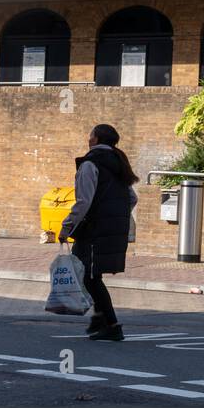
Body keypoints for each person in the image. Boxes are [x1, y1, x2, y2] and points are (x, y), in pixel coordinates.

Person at [59, 124, 139, 341]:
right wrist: (114, 215)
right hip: (111, 230)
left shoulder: (90, 164)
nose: (88, 138)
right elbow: (132, 198)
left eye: (90, 135)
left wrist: (66, 227)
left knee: (89, 277)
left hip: (93, 230)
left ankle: (111, 325)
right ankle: (101, 321)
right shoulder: (118, 163)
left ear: (95, 139)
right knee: (92, 275)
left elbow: (83, 202)